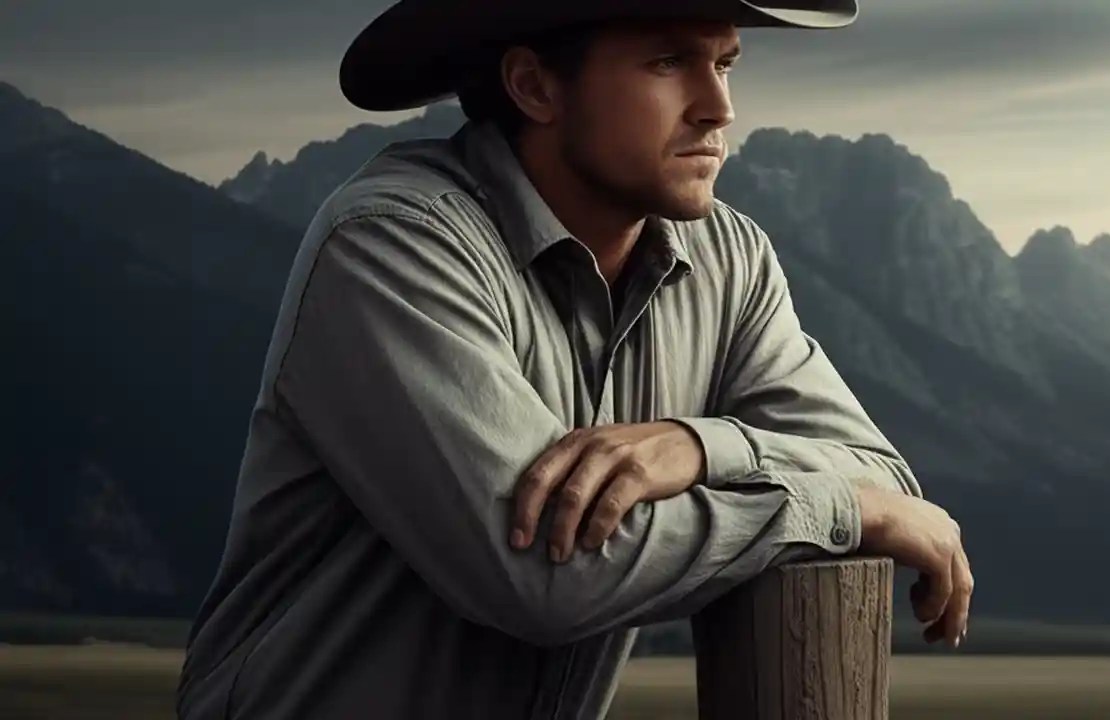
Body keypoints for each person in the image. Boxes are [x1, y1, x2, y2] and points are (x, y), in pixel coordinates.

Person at [176, 0, 974, 718]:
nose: (719, 106)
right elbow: (546, 576)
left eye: (725, 63)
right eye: (669, 61)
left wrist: (700, 447)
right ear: (535, 87)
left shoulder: (729, 262)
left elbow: (881, 474)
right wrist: (840, 511)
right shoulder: (393, 242)